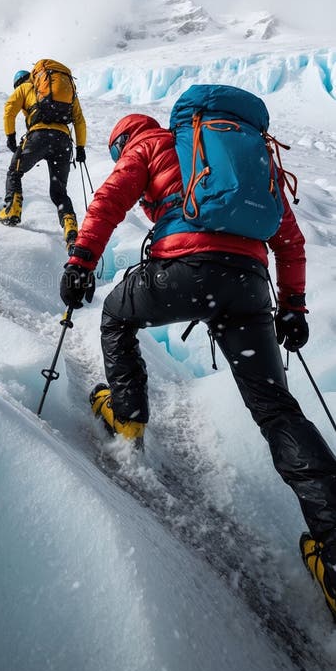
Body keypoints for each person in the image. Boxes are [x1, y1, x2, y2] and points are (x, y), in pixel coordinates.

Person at [59, 110, 336, 618]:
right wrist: (292, 306)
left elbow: (108, 202)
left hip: (184, 271)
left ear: (124, 139)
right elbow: (289, 238)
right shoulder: (245, 158)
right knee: (276, 410)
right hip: (249, 284)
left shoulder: (148, 146)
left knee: (117, 318)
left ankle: (128, 415)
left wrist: (81, 261)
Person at [0, 66, 87, 246]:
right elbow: (79, 119)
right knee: (59, 191)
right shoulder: (63, 92)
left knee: (15, 172)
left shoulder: (25, 88)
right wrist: (80, 147)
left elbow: (9, 109)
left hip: (38, 137)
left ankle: (13, 210)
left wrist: (10, 136)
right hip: (62, 141)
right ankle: (70, 228)